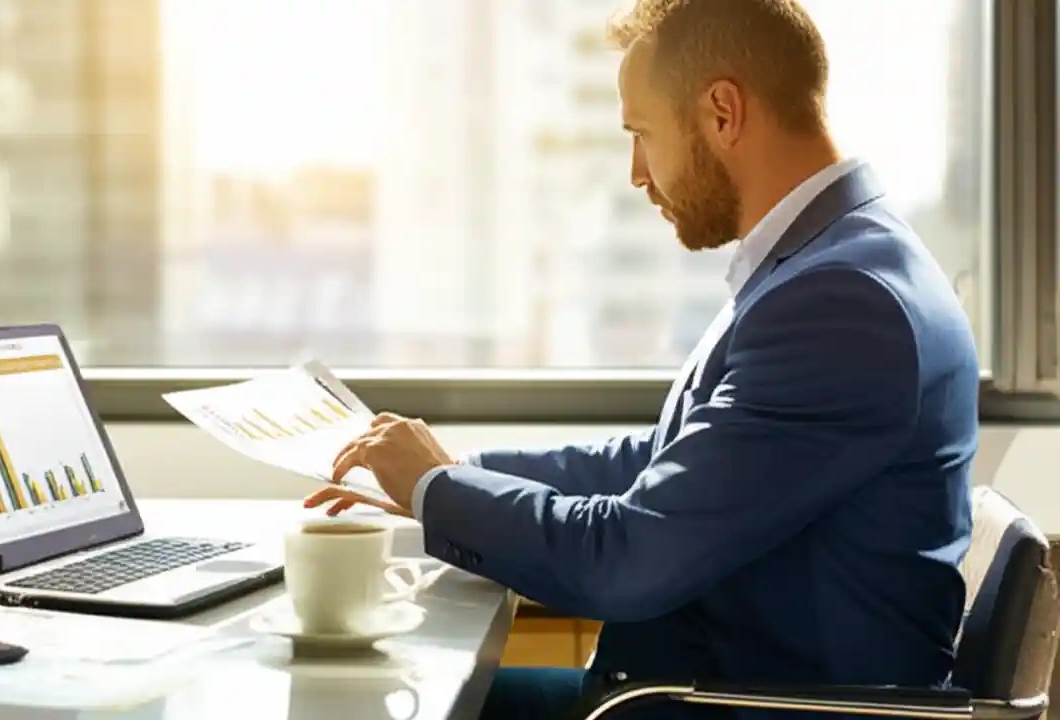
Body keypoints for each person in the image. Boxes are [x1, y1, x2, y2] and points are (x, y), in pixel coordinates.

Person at [307, 0, 979, 718]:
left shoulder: (842, 303)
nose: (636, 172)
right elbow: (665, 459)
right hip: (710, 688)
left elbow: (628, 561)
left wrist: (436, 488)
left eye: (641, 133)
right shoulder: (831, 260)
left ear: (722, 112)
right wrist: (453, 472)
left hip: (738, 705)